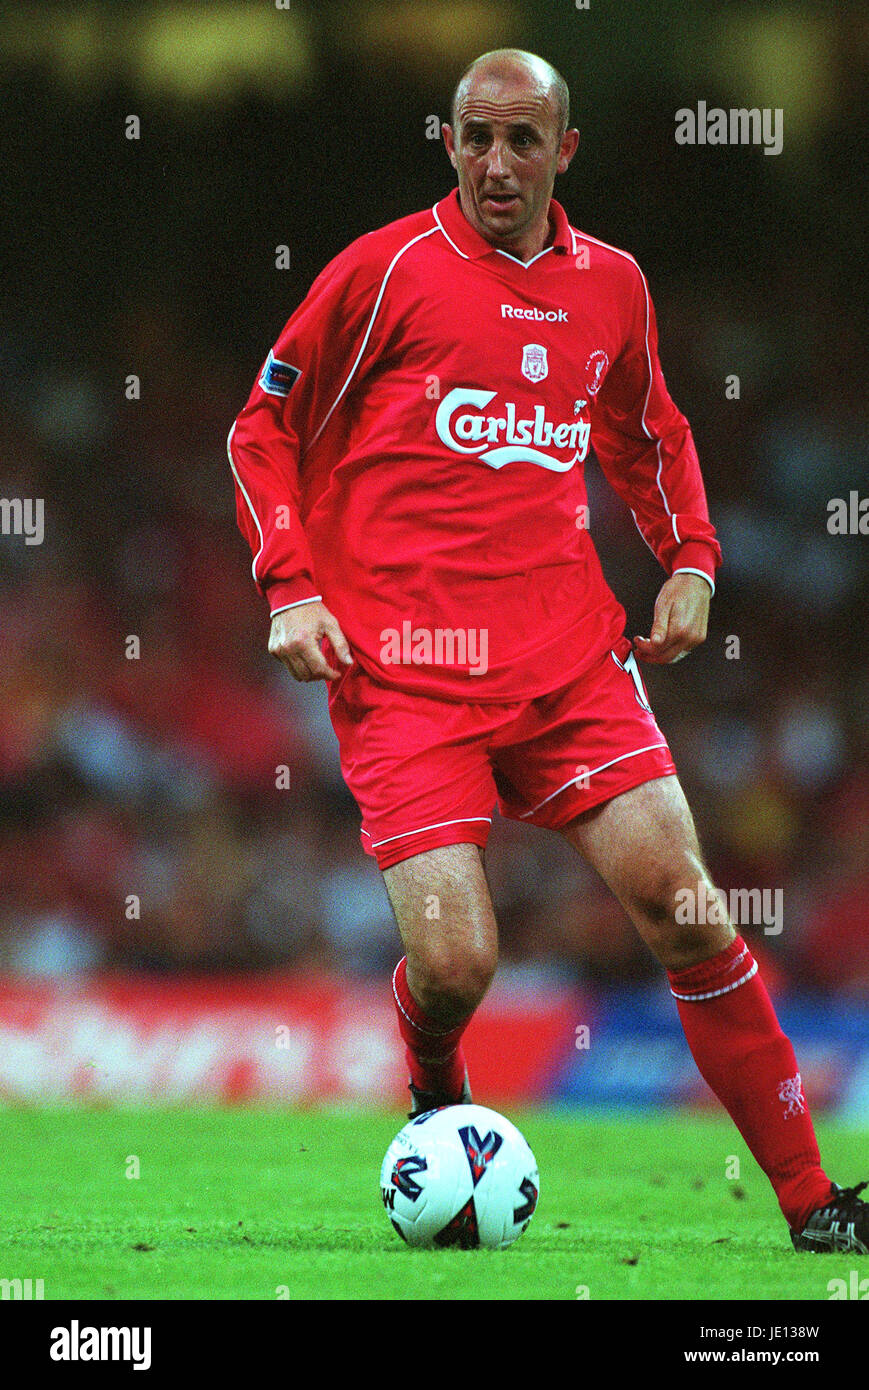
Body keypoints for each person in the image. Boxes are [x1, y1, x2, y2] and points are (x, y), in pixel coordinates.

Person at [228, 49, 866, 1253]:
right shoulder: (383, 274)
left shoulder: (612, 286)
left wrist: (688, 560)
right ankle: (433, 1072)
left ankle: (812, 1204)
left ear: (563, 149)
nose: (496, 164)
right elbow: (259, 426)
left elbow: (649, 432)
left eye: (522, 140)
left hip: (569, 665)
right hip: (405, 673)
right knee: (460, 962)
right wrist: (291, 588)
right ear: (449, 142)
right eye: (475, 138)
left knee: (686, 912)